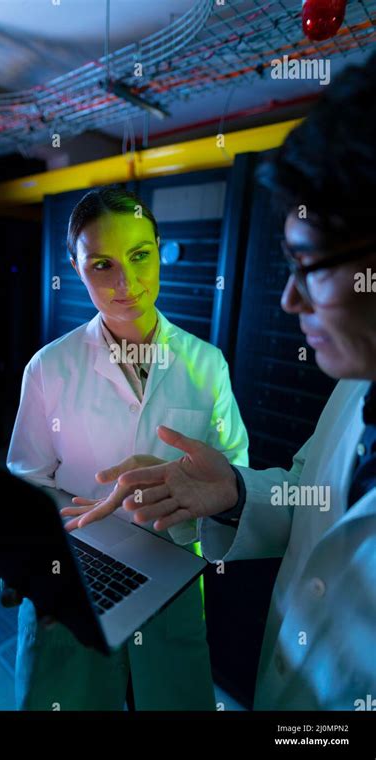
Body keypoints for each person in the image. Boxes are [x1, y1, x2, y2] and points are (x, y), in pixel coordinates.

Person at [69, 53, 376, 710]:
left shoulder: (206, 360)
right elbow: (317, 499)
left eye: (311, 262)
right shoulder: (358, 388)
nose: (290, 301)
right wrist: (236, 491)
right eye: (101, 265)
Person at [3, 186, 249, 710]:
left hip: (174, 573)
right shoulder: (49, 367)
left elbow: (237, 479)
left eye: (140, 256)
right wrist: (38, 563)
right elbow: (27, 482)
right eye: (101, 265)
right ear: (75, 267)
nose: (126, 283)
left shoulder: (207, 365)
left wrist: (209, 497)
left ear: (160, 248)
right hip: (74, 576)